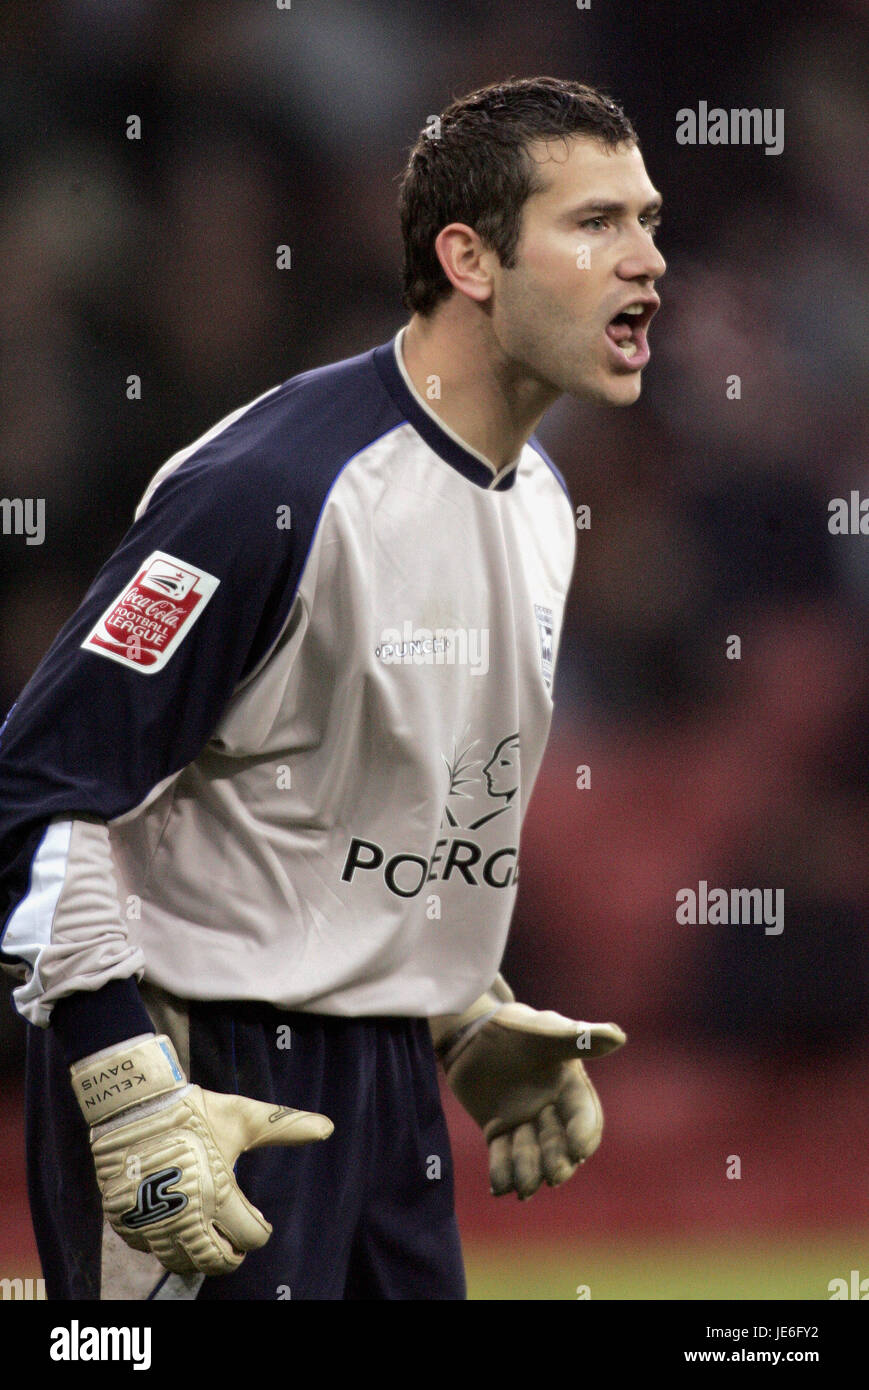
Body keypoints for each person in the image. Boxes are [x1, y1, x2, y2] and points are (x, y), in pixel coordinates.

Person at [0, 75, 664, 1301]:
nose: (645, 262)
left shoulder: (540, 508)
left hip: (386, 1093)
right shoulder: (271, 490)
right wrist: (119, 1076)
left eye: (647, 220)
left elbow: (359, 798)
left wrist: (456, 1005)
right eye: (595, 224)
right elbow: (35, 789)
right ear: (467, 258)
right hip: (201, 1070)